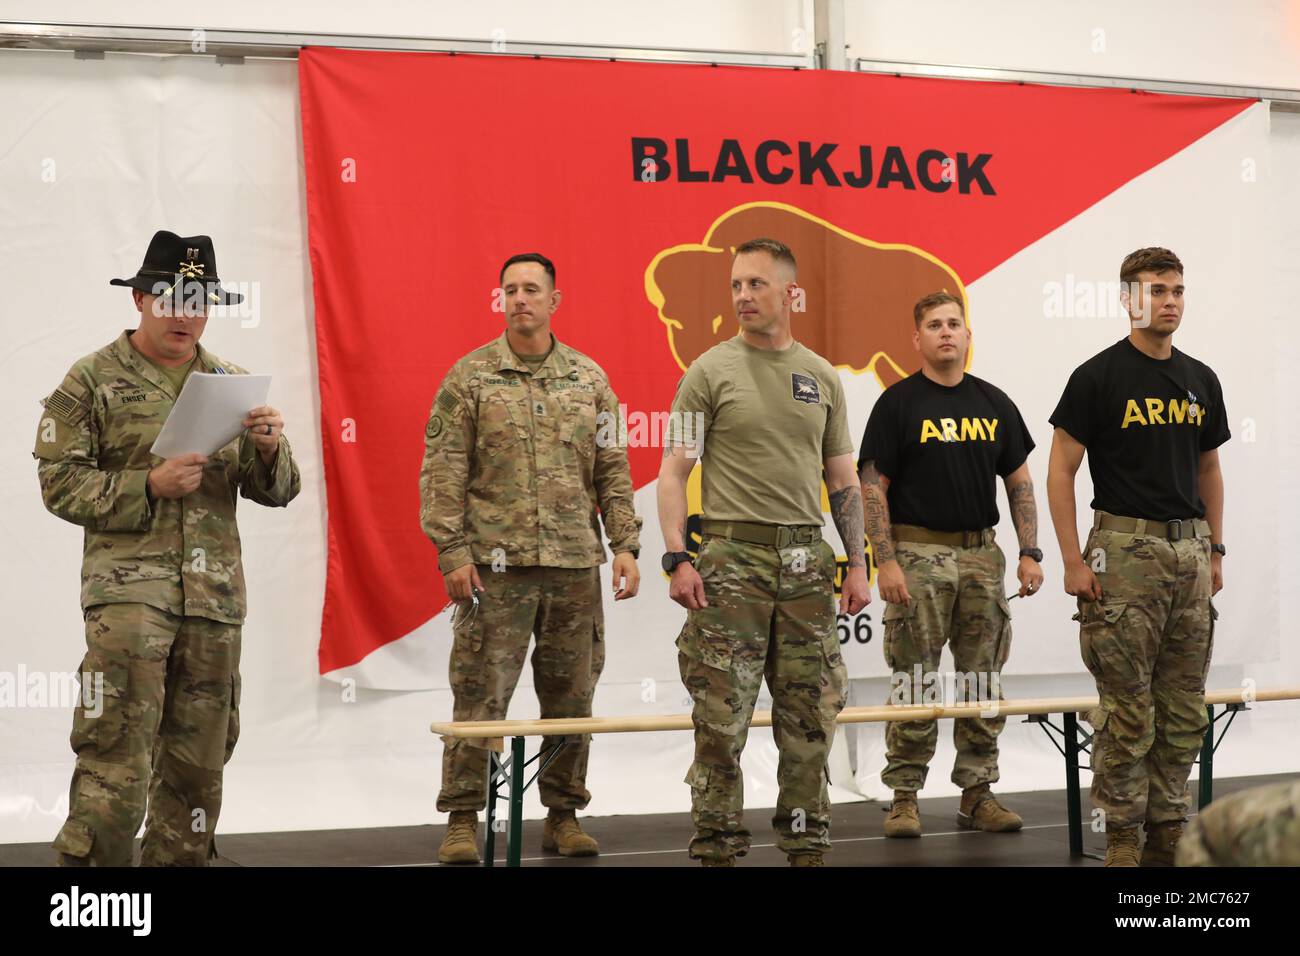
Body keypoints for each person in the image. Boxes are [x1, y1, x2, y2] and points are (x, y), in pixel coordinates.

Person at [36, 230, 301, 866]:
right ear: (141, 300)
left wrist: (269, 450)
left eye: (198, 300)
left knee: (200, 760)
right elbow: (58, 483)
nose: (184, 313)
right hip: (130, 599)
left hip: (213, 602)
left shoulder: (230, 383)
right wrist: (145, 486)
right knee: (117, 753)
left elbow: (279, 491)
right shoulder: (92, 379)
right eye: (171, 298)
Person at [420, 252, 641, 864]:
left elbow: (613, 473)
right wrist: (451, 552)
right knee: (478, 695)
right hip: (494, 568)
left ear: (554, 300)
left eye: (531, 290)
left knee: (572, 696)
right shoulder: (470, 378)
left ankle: (564, 815)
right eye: (510, 290)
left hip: (574, 565)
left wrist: (625, 545)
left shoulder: (589, 380)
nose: (519, 299)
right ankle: (463, 819)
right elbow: (442, 473)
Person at [658, 237, 870, 867]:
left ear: (790, 292)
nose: (743, 297)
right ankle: (718, 848)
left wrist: (855, 563)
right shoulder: (709, 371)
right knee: (721, 723)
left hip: (808, 565)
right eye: (735, 286)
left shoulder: (822, 376)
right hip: (730, 561)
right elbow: (673, 474)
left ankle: (806, 847)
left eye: (755, 284)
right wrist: (677, 557)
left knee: (810, 723)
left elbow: (843, 481)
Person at [1046, 247, 1228, 866]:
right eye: (1155, 290)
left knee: (1182, 708)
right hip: (1122, 554)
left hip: (1190, 554)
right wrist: (1072, 559)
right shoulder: (1097, 376)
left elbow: (1209, 468)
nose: (1169, 300)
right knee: (1128, 710)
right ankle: (1122, 833)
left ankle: (1167, 829)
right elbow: (1060, 471)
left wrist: (1217, 550)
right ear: (1127, 299)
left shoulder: (1201, 379)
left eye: (1177, 290)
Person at [859, 291, 1041, 838]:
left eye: (954, 324)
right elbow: (872, 488)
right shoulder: (897, 404)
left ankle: (978, 793)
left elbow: (1020, 484)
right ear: (916, 339)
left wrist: (1029, 552)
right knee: (914, 680)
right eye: (934, 325)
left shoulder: (994, 402)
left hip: (982, 556)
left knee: (983, 679)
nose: (945, 332)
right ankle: (905, 796)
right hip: (916, 554)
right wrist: (884, 561)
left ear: (967, 335)